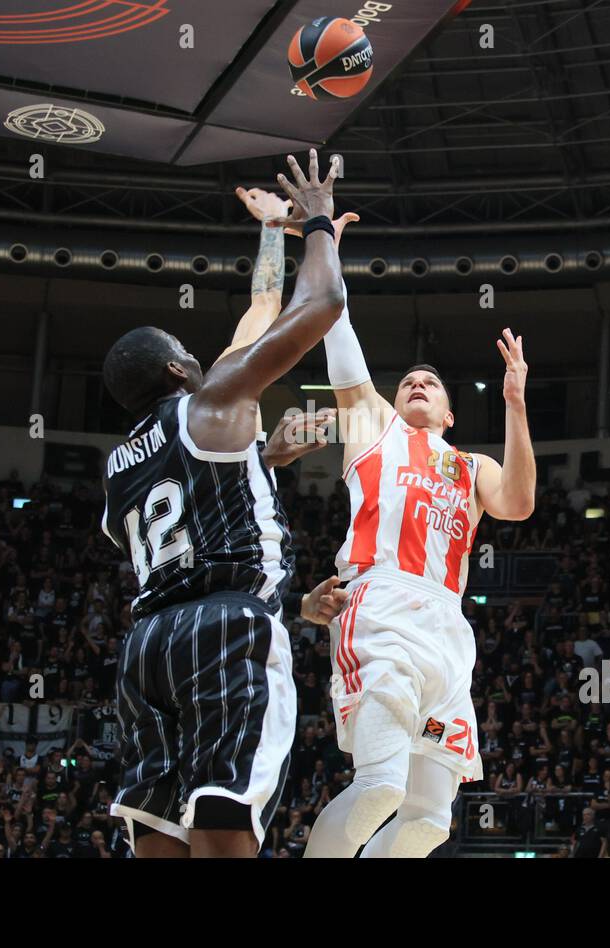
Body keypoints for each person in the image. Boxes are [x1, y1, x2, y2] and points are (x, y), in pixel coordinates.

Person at [99, 150, 349, 858]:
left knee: (157, 835)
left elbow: (186, 512)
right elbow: (317, 305)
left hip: (147, 646)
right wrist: (315, 224)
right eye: (189, 350)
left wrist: (260, 462)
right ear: (180, 368)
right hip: (226, 629)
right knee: (221, 818)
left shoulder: (118, 468)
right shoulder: (213, 402)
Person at [302, 273, 536, 858]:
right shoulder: (375, 432)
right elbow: (341, 338)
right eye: (407, 381)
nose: (417, 384)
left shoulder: (469, 464)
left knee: (430, 819)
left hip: (447, 627)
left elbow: (518, 502)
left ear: (450, 413)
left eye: (430, 382)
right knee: (380, 787)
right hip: (381, 606)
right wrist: (321, 243)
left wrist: (515, 402)